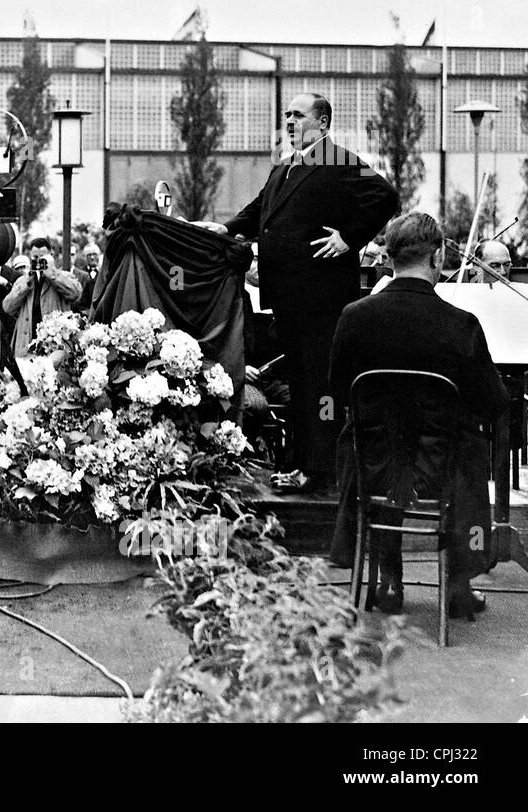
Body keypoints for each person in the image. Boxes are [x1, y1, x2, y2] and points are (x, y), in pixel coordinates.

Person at [327, 213, 512, 618]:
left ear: (389, 258)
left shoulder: (354, 317)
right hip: (439, 473)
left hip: (373, 468)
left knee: (365, 435)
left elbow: (338, 391)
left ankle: (388, 577)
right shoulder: (461, 325)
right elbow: (494, 403)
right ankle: (458, 584)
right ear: (438, 256)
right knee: (469, 443)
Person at [219, 92, 399, 494]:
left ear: (322, 124)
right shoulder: (284, 168)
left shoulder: (337, 160)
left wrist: (349, 238)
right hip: (288, 298)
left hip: (320, 299)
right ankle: (303, 463)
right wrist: (224, 229)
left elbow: (385, 196)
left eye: (298, 115)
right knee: (301, 383)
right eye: (286, 114)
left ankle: (318, 471)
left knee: (317, 384)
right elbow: (257, 212)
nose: (290, 121)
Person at [2, 237, 82, 360]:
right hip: (26, 347)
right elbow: (7, 307)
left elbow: (75, 294)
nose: (39, 262)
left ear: (51, 256)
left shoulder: (63, 276)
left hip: (53, 348)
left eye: (43, 258)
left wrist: (53, 275)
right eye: (35, 258)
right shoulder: (23, 280)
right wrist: (27, 282)